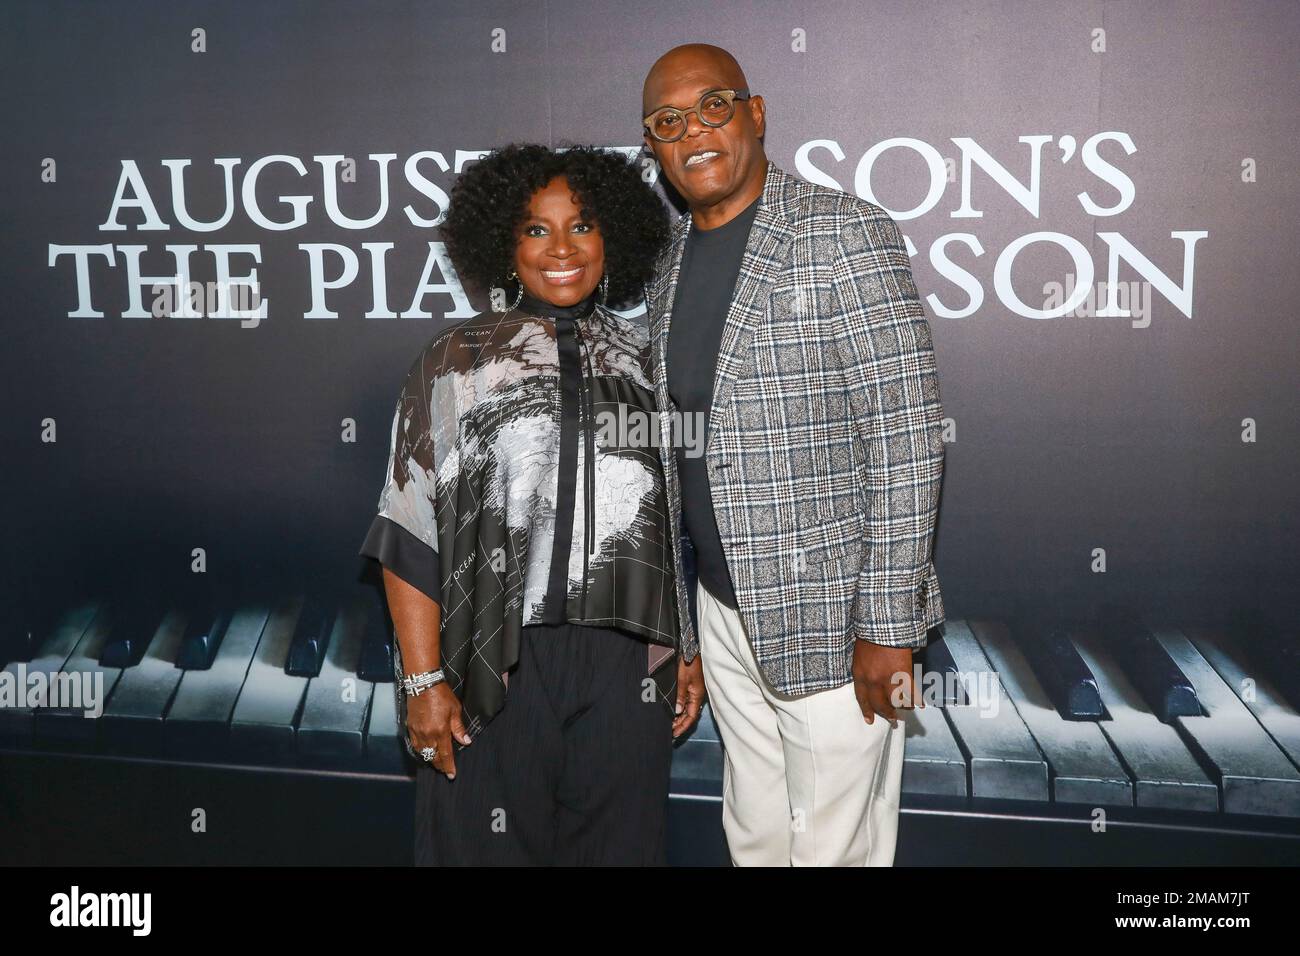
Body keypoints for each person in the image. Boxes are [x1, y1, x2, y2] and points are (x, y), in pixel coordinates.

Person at [640, 43, 947, 866]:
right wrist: (688, 634)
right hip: (722, 611)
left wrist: (888, 628)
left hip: (838, 620)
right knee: (757, 834)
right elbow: (676, 455)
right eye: (667, 121)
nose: (693, 132)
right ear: (653, 147)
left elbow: (909, 436)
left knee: (834, 852)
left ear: (756, 113)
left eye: (713, 106)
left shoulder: (844, 232)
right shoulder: (666, 265)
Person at [358, 144, 706, 865]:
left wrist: (687, 652)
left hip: (626, 668)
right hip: (491, 660)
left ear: (612, 236)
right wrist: (422, 682)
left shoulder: (651, 362)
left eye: (580, 226)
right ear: (503, 244)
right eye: (535, 229)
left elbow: (675, 525)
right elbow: (408, 528)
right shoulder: (454, 362)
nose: (562, 249)